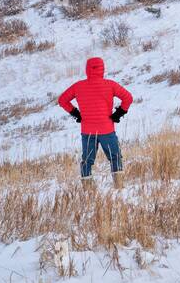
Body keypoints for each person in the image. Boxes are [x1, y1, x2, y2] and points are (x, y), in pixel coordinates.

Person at [57, 57, 133, 188]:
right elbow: (128, 98)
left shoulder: (78, 86)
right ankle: (119, 187)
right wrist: (118, 113)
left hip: (87, 131)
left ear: (87, 69)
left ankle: (88, 190)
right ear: (102, 69)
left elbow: (62, 100)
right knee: (115, 157)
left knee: (87, 160)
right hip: (107, 130)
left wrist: (76, 113)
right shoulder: (110, 84)